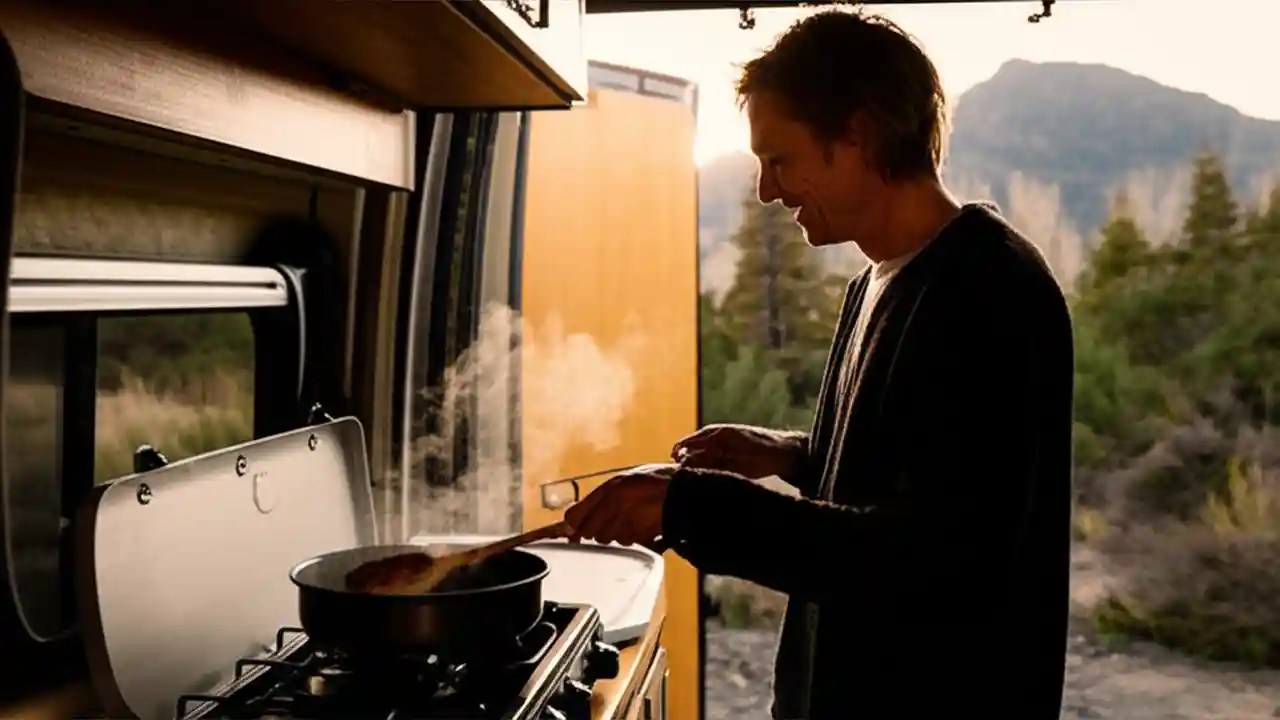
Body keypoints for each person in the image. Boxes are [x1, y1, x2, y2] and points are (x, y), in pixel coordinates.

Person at [564, 9, 1074, 720]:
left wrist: (688, 505)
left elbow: (934, 558)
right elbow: (918, 469)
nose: (767, 191)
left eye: (780, 160)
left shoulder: (991, 290)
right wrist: (793, 455)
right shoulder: (877, 282)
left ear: (857, 134)